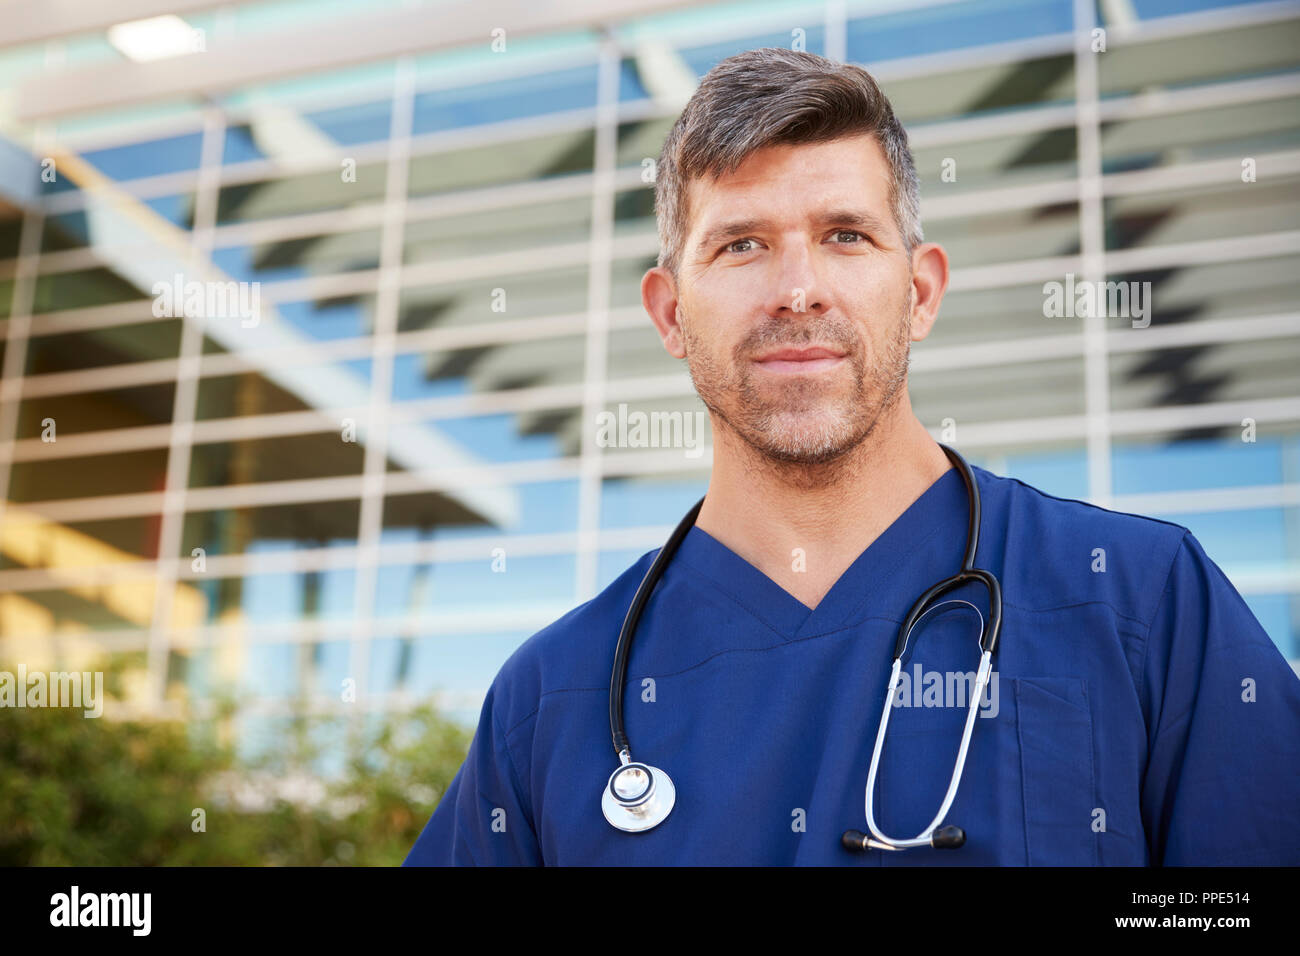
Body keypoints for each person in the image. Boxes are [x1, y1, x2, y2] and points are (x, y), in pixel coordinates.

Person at [404, 47, 1300, 866]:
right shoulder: (551, 700)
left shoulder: (1140, 603)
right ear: (672, 313)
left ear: (918, 293)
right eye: (742, 243)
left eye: (845, 235)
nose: (797, 290)